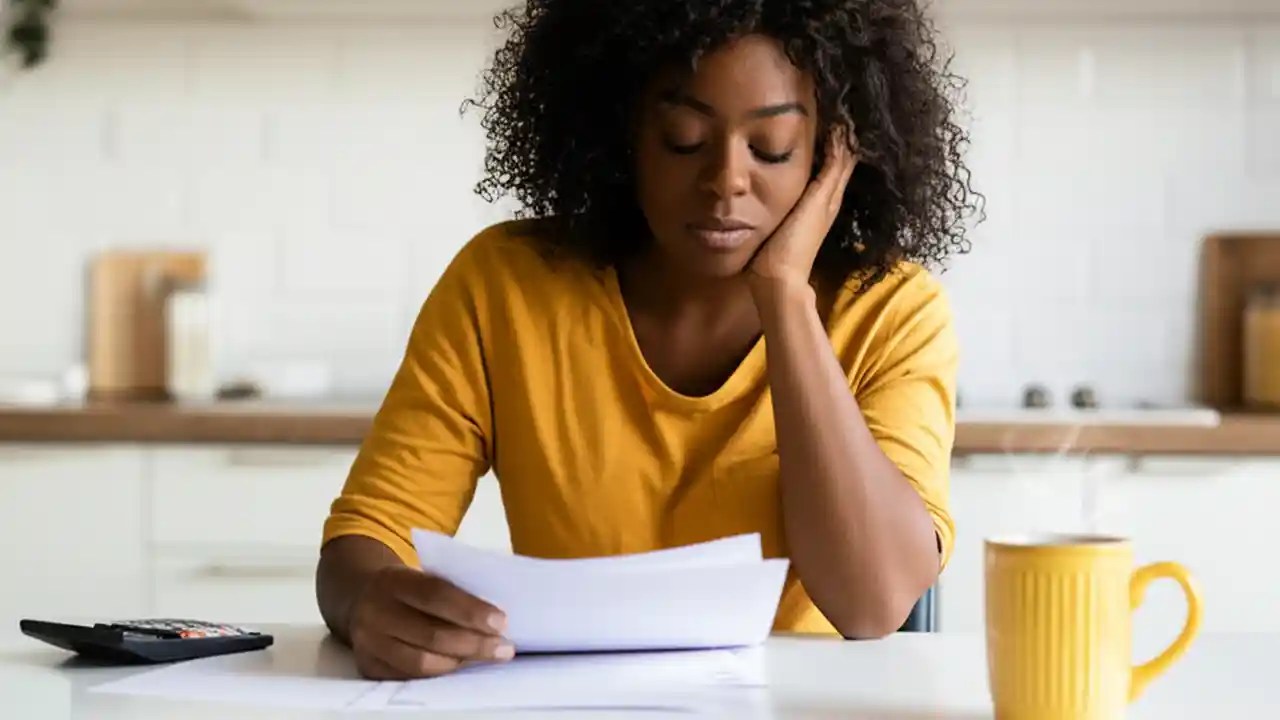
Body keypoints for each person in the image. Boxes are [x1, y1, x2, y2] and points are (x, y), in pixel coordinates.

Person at [316, 0, 980, 680]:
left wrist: (783, 293)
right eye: (684, 139)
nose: (726, 181)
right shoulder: (504, 287)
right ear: (623, 131)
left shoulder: (891, 310)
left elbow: (872, 606)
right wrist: (372, 601)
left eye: (771, 149)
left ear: (831, 152)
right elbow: (364, 539)